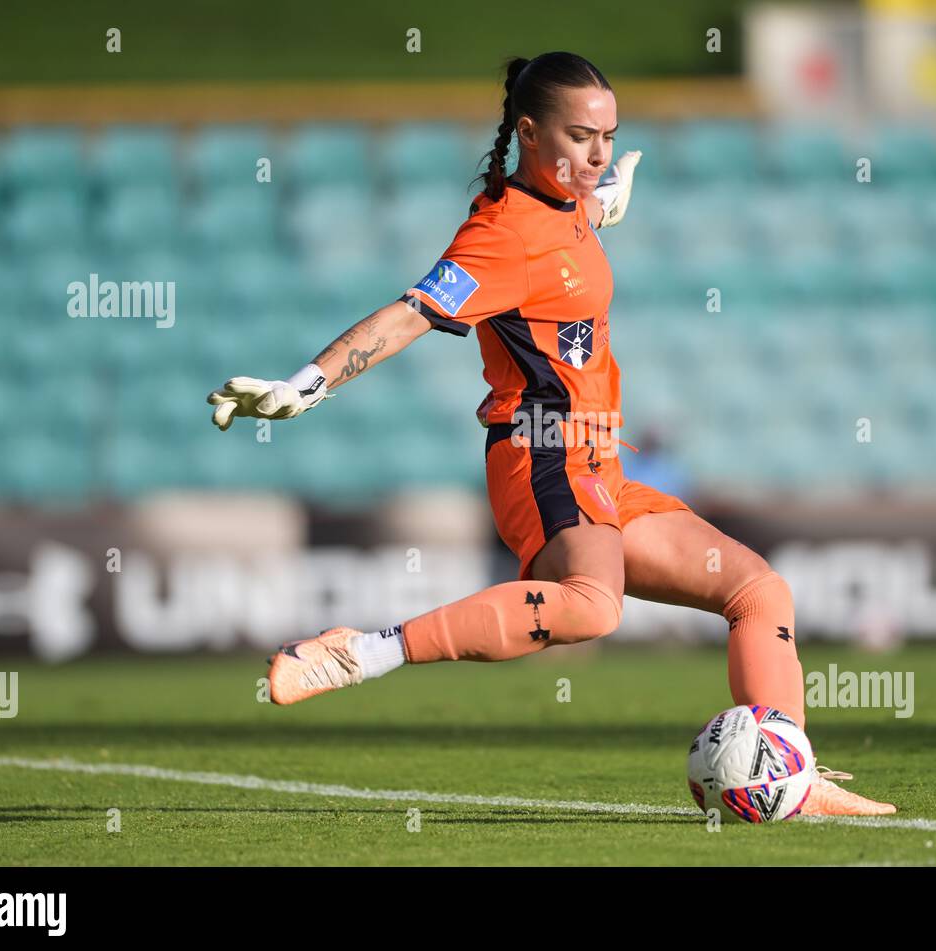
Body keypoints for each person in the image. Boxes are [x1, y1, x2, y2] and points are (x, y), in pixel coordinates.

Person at [207, 51, 895, 815]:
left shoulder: (569, 202)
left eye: (609, 136)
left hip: (597, 462)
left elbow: (576, 221)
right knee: (594, 607)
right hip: (541, 452)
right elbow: (408, 313)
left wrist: (605, 198)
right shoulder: (500, 234)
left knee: (760, 592)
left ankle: (791, 773)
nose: (599, 155)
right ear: (530, 135)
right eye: (581, 138)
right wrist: (307, 383)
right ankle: (360, 651)